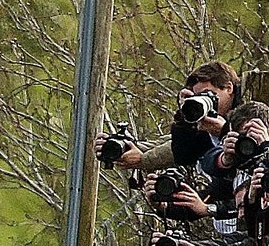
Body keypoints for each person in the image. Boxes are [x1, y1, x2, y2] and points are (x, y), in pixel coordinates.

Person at [95, 61, 240, 172]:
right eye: (197, 95)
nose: (204, 101)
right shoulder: (208, 117)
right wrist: (124, 146)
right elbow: (181, 151)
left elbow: (252, 147)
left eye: (208, 94)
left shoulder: (247, 111)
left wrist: (143, 160)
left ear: (229, 88)